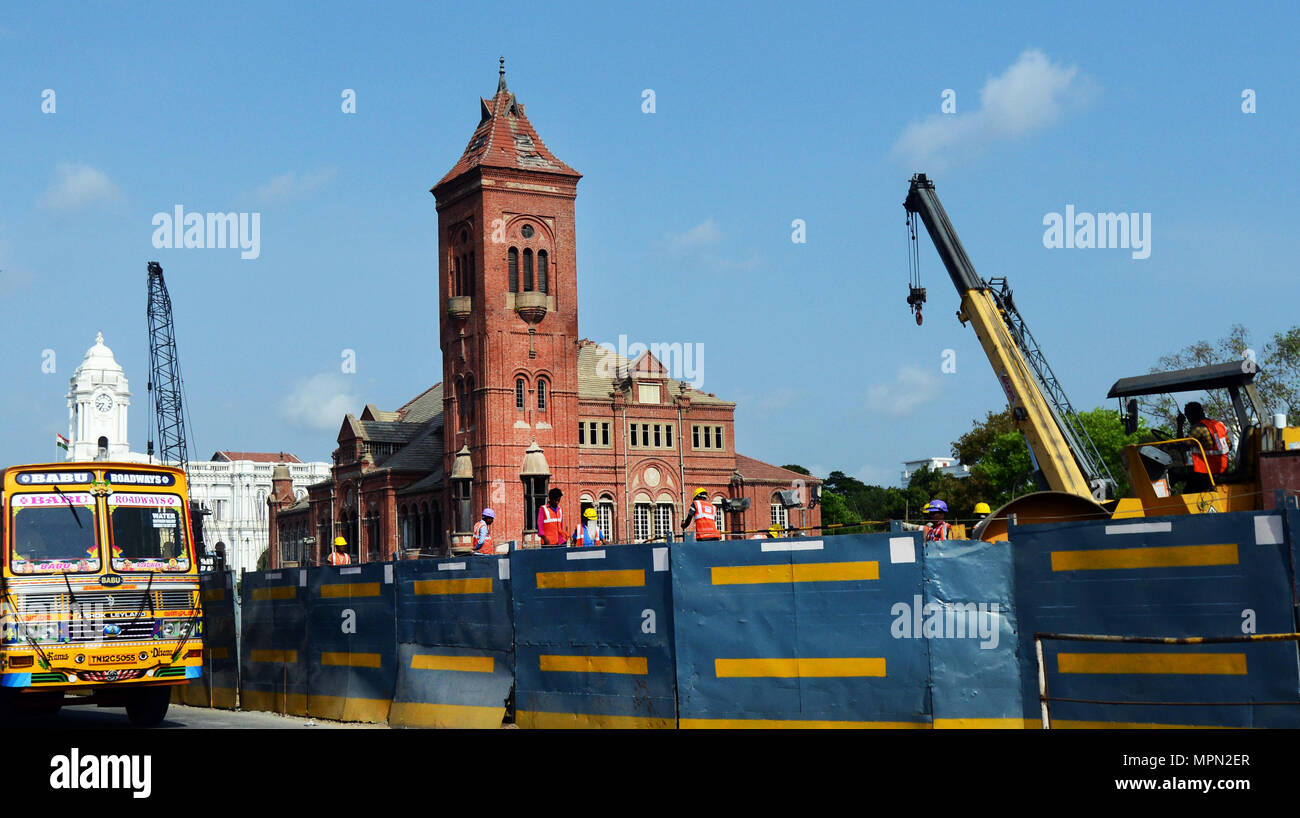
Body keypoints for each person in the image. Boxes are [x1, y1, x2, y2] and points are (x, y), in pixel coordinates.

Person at [1183, 401, 1230, 493]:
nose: (1188, 419)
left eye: (1188, 416)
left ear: (1191, 415)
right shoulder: (1219, 425)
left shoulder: (1198, 428)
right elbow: (1229, 445)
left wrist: (1180, 426)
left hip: (1207, 472)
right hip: (1224, 469)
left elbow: (1183, 446)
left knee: (1185, 488)